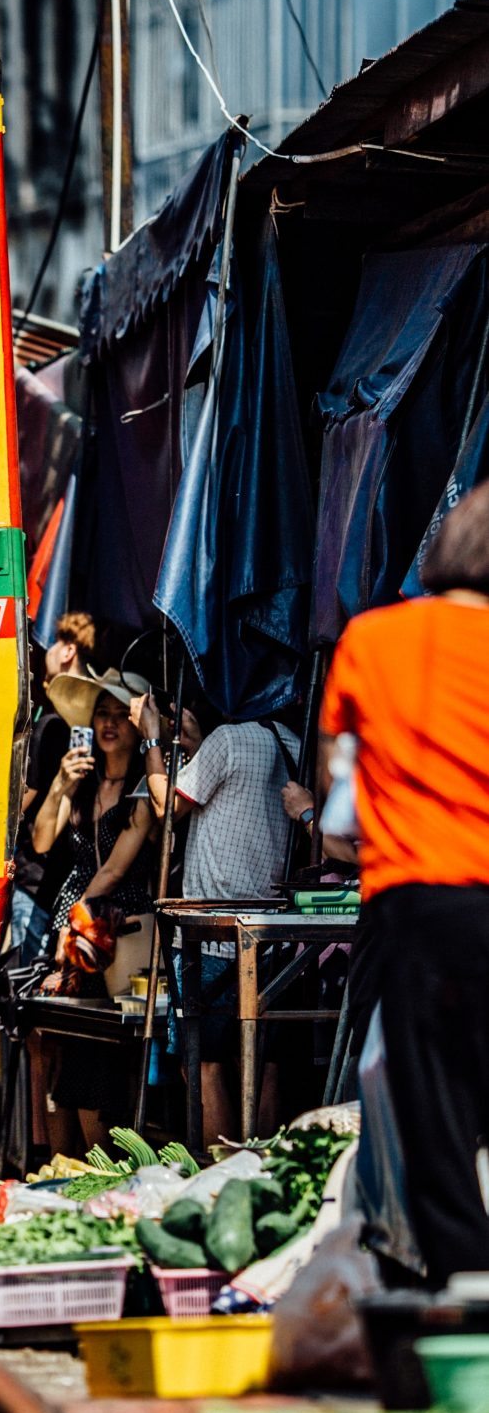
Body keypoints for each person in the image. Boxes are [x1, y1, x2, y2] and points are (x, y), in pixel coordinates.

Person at [318, 483, 489, 1288]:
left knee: (435, 1110)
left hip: (415, 902)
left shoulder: (369, 641)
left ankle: (459, 1288)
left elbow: (336, 803)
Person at [137, 691, 303, 1146]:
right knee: (262, 1065)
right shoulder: (292, 741)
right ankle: (266, 1172)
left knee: (204, 1064)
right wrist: (195, 747)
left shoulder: (229, 739)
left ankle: (221, 1170)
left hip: (210, 934)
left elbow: (166, 806)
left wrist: (150, 740)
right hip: (270, 935)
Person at [26, 675, 155, 1153]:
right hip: (74, 930)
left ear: (138, 726)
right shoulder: (84, 785)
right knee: (61, 1049)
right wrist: (61, 782)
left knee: (103, 1053)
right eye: (102, 714)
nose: (109, 723)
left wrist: (75, 926)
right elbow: (40, 841)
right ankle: (60, 1168)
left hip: (119, 929)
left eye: (121, 714)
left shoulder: (143, 788)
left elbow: (118, 869)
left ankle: (103, 1163)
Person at [6, 612, 99, 973]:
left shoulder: (50, 724)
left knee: (26, 980)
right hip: (69, 880)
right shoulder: (87, 725)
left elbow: (23, 803)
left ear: (67, 651)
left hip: (40, 880)